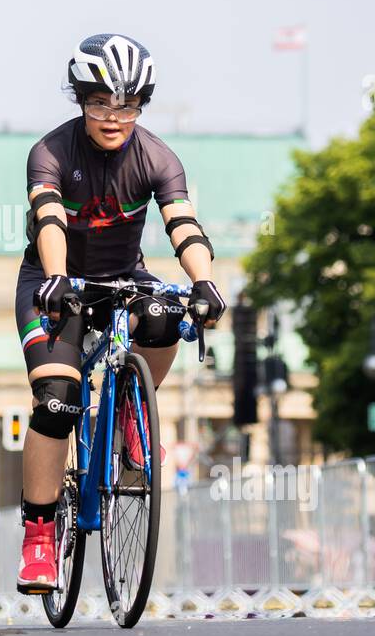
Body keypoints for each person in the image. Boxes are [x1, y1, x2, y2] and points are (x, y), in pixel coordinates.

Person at [14, 34, 226, 594]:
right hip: (55, 281)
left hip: (123, 280)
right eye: (101, 103)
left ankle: (133, 409)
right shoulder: (51, 153)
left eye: (128, 105)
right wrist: (57, 277)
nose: (114, 117)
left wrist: (204, 282)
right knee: (57, 402)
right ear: (81, 99)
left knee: (164, 312)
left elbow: (183, 223)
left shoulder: (157, 157)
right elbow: (50, 217)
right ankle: (39, 538)